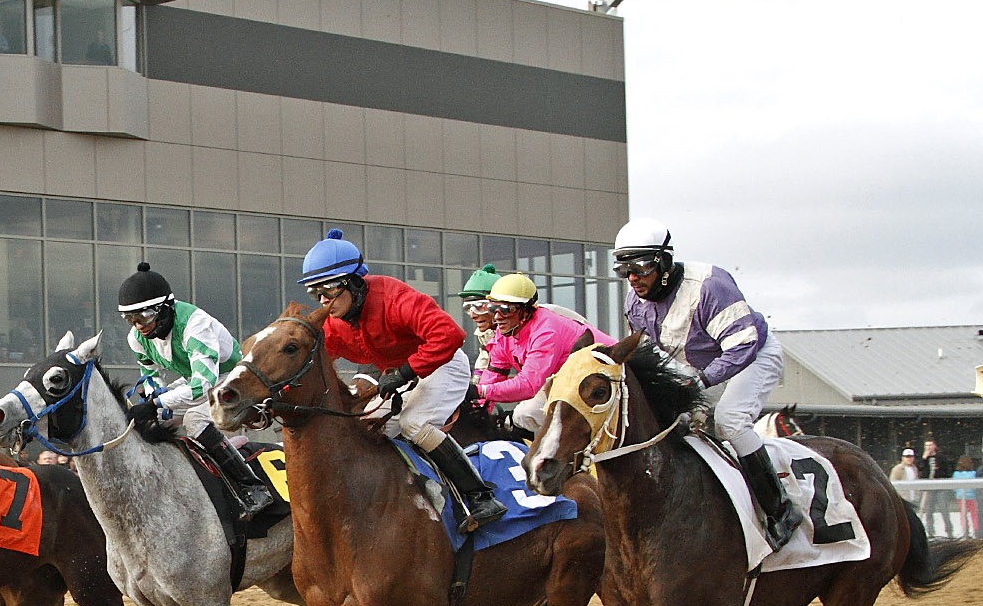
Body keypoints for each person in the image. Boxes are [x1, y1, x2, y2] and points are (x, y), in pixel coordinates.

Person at [299, 230, 507, 530]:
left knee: (414, 425)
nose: (322, 300)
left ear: (354, 283)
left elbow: (450, 335)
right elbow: (317, 363)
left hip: (444, 363)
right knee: (367, 427)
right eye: (314, 292)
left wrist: (403, 374)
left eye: (328, 289)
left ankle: (479, 496)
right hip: (400, 375)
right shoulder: (334, 323)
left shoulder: (394, 297)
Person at [613, 218, 800, 551]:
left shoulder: (709, 286)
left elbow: (743, 345)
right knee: (673, 424)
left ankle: (780, 510)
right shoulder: (635, 303)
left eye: (640, 268)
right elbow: (650, 353)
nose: (633, 279)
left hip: (753, 353)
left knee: (730, 421)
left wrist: (699, 381)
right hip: (701, 365)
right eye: (624, 270)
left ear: (664, 262)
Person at [116, 262, 275, 517]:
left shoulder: (195, 324)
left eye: (143, 317)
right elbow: (149, 376)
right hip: (199, 379)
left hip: (234, 381)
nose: (138, 326)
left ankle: (252, 487)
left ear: (164, 309)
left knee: (194, 417)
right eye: (130, 319)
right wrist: (154, 396)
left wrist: (159, 403)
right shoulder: (137, 338)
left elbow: (202, 386)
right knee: (144, 421)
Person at [476, 273, 610, 434]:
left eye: (506, 309)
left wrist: (480, 391)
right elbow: (493, 375)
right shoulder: (503, 334)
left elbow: (528, 386)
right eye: (492, 308)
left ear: (525, 311)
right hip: (570, 380)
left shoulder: (545, 332)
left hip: (608, 373)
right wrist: (477, 409)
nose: (497, 316)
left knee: (526, 414)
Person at [919, 438, 953, 536]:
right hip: (928, 489)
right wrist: (924, 458)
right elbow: (920, 468)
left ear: (935, 446)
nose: (928, 448)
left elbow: (947, 472)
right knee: (929, 511)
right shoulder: (923, 459)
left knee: (944, 510)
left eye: (930, 445)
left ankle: (949, 531)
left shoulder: (941, 458)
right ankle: (930, 531)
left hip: (940, 488)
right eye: (926, 446)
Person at [953, 454, 978, 538]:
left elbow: (954, 486)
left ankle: (965, 530)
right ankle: (976, 530)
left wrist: (958, 493)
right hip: (971, 497)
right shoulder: (973, 473)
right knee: (974, 514)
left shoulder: (956, 474)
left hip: (960, 497)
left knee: (963, 514)